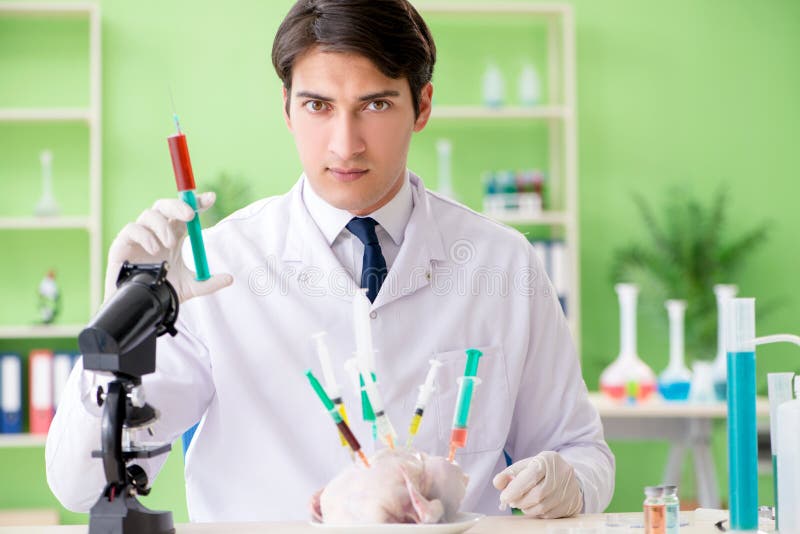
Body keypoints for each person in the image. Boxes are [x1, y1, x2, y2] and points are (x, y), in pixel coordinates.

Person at [46, 0, 614, 522]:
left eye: (375, 104)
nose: (345, 144)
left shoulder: (503, 263)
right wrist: (125, 320)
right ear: (288, 110)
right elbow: (79, 484)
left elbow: (581, 450)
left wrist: (572, 482)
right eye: (318, 105)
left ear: (422, 106)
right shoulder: (214, 269)